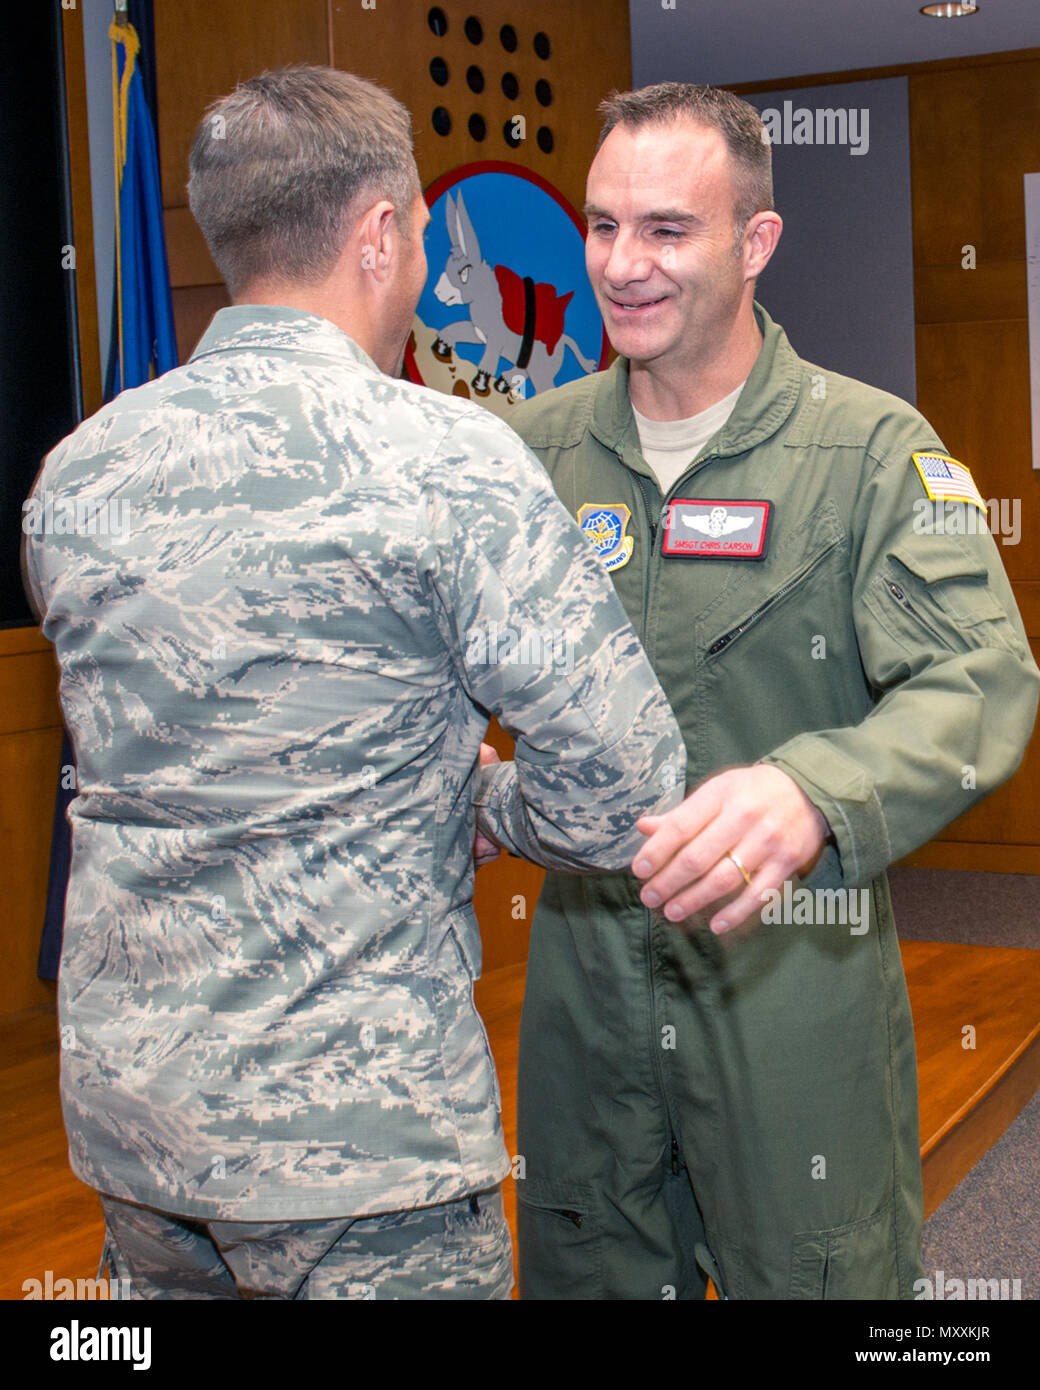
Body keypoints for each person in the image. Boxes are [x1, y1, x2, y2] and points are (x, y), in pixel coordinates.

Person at [21, 66, 685, 1301]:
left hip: (137, 1126)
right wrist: (475, 805)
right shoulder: (444, 459)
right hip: (362, 1152)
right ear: (380, 231)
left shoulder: (78, 471)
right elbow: (623, 786)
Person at [505, 82, 1040, 1300]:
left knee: (816, 1275)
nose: (620, 264)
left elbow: (979, 679)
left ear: (755, 243)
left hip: (787, 980)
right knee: (583, 1264)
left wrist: (812, 790)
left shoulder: (867, 449)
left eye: (664, 229)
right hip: (584, 989)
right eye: (600, 226)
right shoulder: (528, 454)